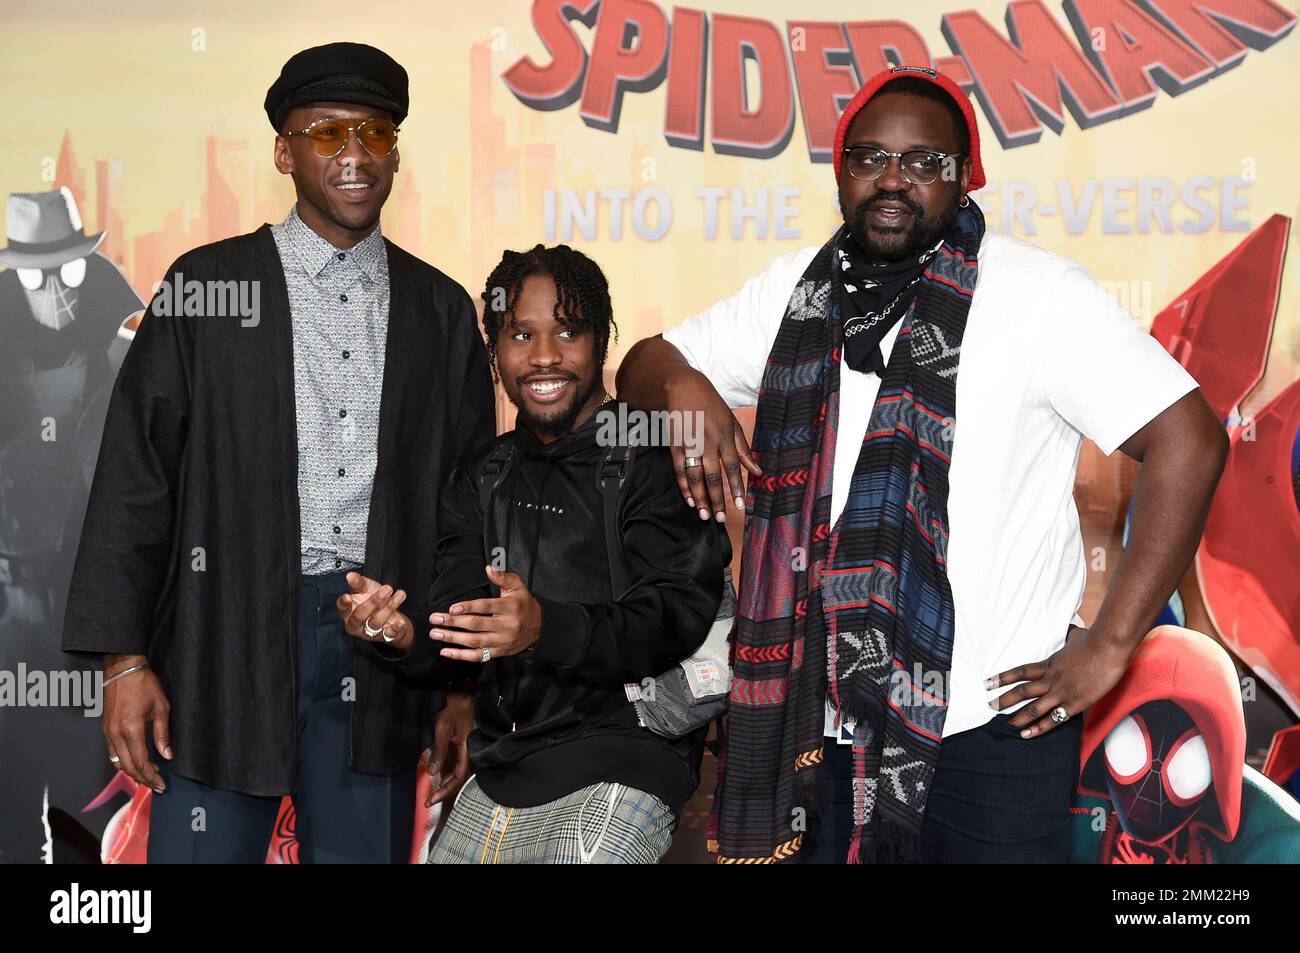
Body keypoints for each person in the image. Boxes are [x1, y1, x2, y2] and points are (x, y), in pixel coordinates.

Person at [615, 65, 1228, 863]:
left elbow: (1190, 438)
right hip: (819, 725)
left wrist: (1111, 644)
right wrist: (682, 383)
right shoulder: (794, 295)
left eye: (923, 161)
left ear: (964, 175)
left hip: (991, 731)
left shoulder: (1037, 293)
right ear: (842, 172)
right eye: (870, 158)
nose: (893, 179)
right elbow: (642, 365)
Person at [61, 41, 494, 863]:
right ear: (283, 151)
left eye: (376, 132)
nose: (356, 155)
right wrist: (124, 663)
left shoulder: (440, 313)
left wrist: (459, 684)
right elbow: (135, 480)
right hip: (223, 637)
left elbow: (463, 510)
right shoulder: (204, 287)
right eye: (327, 133)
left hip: (380, 654)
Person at [342, 244, 728, 863]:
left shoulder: (653, 452)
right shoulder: (481, 474)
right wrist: (397, 634)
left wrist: (545, 627)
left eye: (568, 332)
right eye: (521, 334)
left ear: (603, 341)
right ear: (494, 351)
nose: (545, 356)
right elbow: (458, 631)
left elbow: (675, 616)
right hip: (499, 775)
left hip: (623, 768)